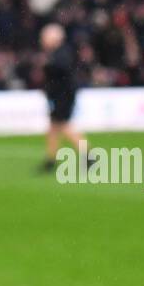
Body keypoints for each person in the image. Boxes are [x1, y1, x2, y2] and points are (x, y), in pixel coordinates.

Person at [38, 23, 93, 173]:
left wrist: (47, 66)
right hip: (60, 95)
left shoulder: (61, 53)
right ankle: (51, 159)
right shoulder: (59, 53)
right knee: (54, 127)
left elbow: (61, 71)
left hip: (63, 96)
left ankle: (88, 154)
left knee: (63, 125)